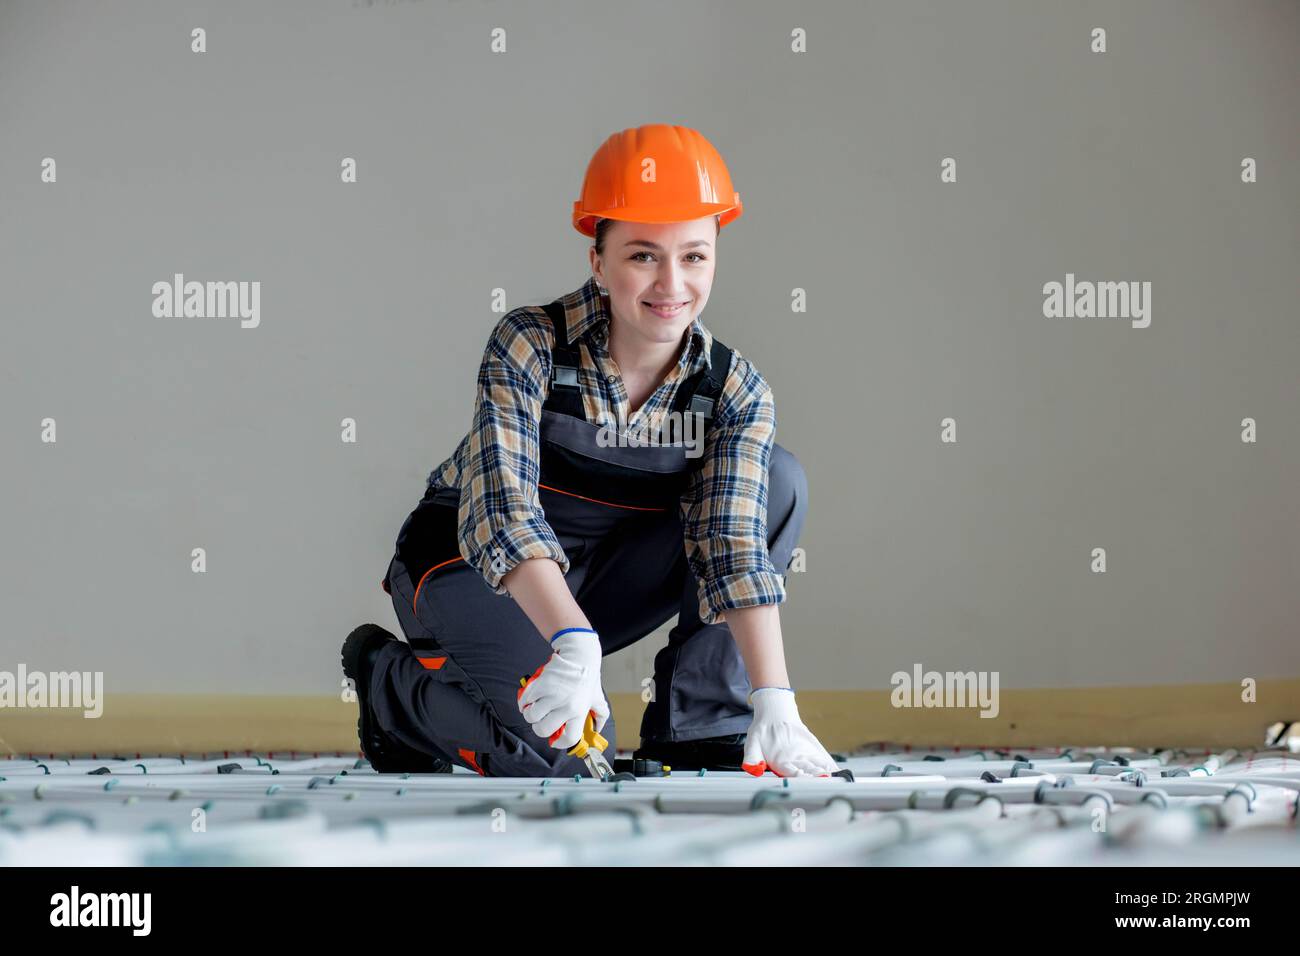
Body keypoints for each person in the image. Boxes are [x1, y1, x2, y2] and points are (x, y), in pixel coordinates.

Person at [342, 124, 839, 778]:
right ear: (598, 260)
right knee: (554, 759)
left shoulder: (734, 390)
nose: (671, 283)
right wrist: (572, 644)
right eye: (642, 255)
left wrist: (775, 701)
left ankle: (702, 722)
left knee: (778, 478)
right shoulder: (533, 344)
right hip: (467, 564)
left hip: (599, 578)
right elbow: (502, 510)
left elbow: (733, 546)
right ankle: (390, 692)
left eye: (693, 256)